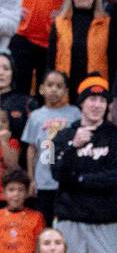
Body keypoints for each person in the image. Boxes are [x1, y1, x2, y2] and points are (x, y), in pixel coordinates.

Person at [51, 76, 117, 253]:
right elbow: (55, 172)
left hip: (105, 222)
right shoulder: (60, 136)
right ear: (81, 103)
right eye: (91, 99)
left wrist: (80, 179)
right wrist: (74, 147)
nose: (97, 105)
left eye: (102, 100)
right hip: (69, 221)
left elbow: (114, 178)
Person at [23, 69, 79, 223]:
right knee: (44, 223)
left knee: (66, 223)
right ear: (41, 89)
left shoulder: (75, 114)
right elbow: (31, 149)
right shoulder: (35, 116)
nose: (54, 89)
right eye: (50, 85)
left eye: (59, 86)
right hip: (43, 181)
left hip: (67, 182)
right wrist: (31, 179)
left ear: (66, 90)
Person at [46, 0, 110, 98]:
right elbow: (50, 61)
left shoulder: (107, 23)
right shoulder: (59, 23)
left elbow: (114, 60)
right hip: (65, 89)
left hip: (96, 89)